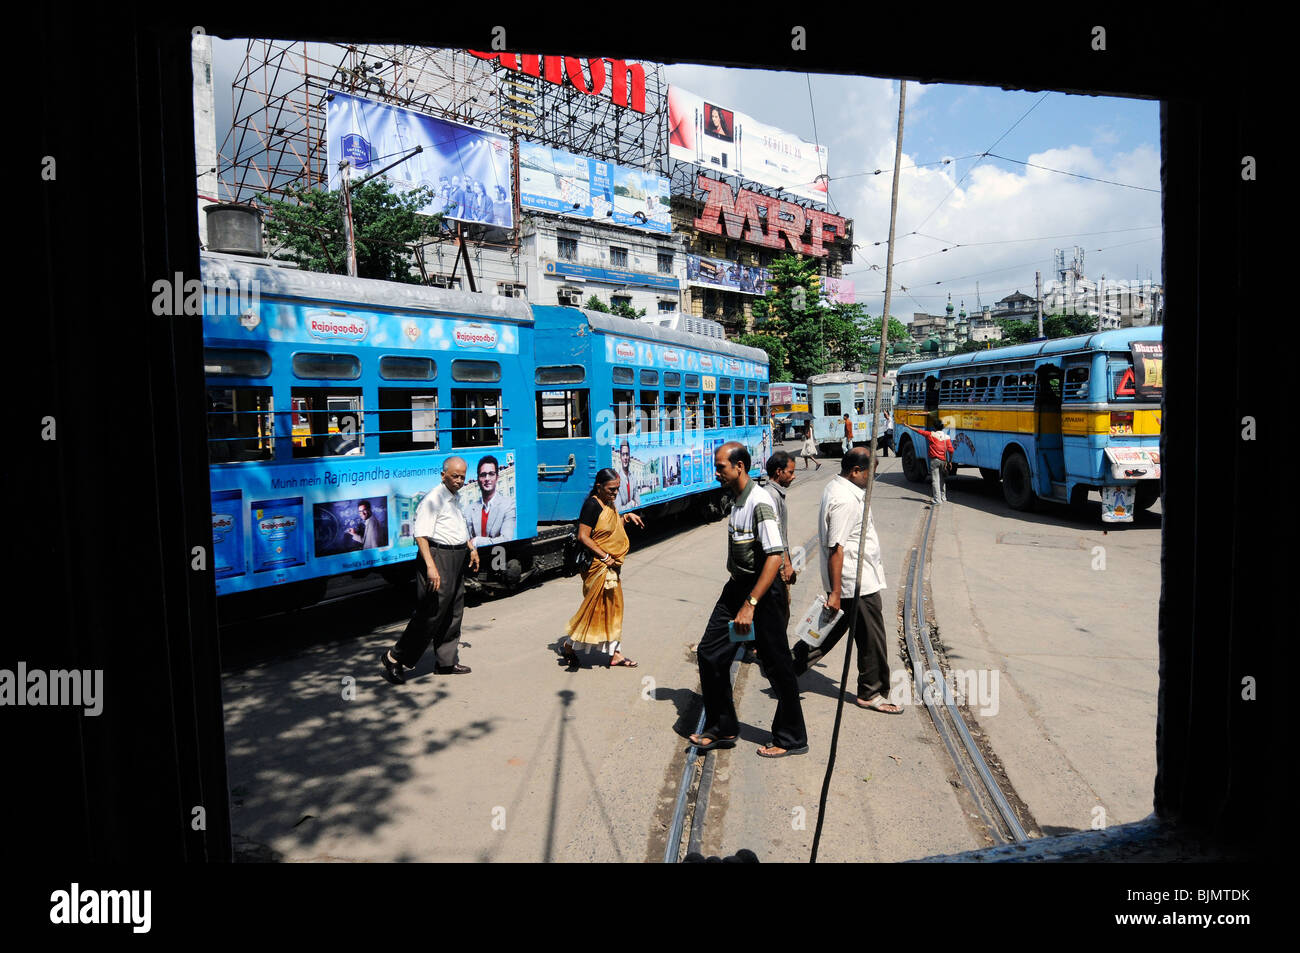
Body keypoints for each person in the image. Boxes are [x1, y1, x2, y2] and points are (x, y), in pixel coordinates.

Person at [689, 442, 808, 758]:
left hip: (763, 595)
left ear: (739, 467)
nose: (717, 473)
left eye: (721, 467)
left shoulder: (759, 502)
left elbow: (772, 557)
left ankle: (791, 736)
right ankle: (723, 727)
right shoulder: (737, 500)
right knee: (711, 653)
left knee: (777, 665)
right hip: (738, 590)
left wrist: (750, 605)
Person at [792, 446, 903, 714]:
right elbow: (836, 548)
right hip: (856, 582)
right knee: (872, 640)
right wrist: (836, 593)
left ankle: (785, 668)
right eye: (870, 473)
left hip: (851, 580)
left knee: (824, 634)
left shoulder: (840, 488)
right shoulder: (845, 499)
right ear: (855, 471)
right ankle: (872, 691)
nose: (872, 478)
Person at [381, 457, 480, 682]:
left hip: (456, 555)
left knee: (454, 611)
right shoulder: (433, 499)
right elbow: (421, 535)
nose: (459, 480)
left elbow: (458, 525)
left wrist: (470, 547)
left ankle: (446, 662)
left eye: (463, 476)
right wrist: (431, 567)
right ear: (443, 474)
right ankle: (395, 658)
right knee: (431, 613)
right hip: (438, 556)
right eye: (455, 476)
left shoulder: (455, 497)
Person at [561, 468, 645, 668]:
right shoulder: (592, 505)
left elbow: (609, 527)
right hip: (598, 567)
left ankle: (615, 653)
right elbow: (584, 536)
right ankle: (569, 645)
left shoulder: (608, 503)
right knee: (595, 610)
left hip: (611, 567)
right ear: (598, 487)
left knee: (614, 608)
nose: (615, 493)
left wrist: (626, 518)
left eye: (617, 489)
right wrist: (605, 556)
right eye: (611, 489)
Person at [464, 455, 517, 548]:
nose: (487, 478)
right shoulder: (469, 510)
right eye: (483, 475)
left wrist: (477, 541)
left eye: (491, 474)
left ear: (497, 477)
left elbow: (506, 539)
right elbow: (466, 540)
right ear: (478, 479)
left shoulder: (508, 505)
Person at [913, 420, 955, 505]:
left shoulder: (931, 434)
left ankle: (937, 500)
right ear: (942, 427)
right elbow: (951, 450)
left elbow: (919, 431)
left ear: (935, 427)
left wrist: (908, 426)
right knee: (942, 479)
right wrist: (950, 461)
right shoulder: (947, 437)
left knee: (935, 480)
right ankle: (943, 497)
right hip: (943, 461)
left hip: (934, 461)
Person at [615, 440, 640, 509]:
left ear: (629, 456)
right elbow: (619, 509)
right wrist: (632, 504)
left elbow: (638, 502)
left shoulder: (633, 477)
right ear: (620, 457)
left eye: (627, 454)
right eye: (623, 454)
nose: (625, 458)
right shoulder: (616, 479)